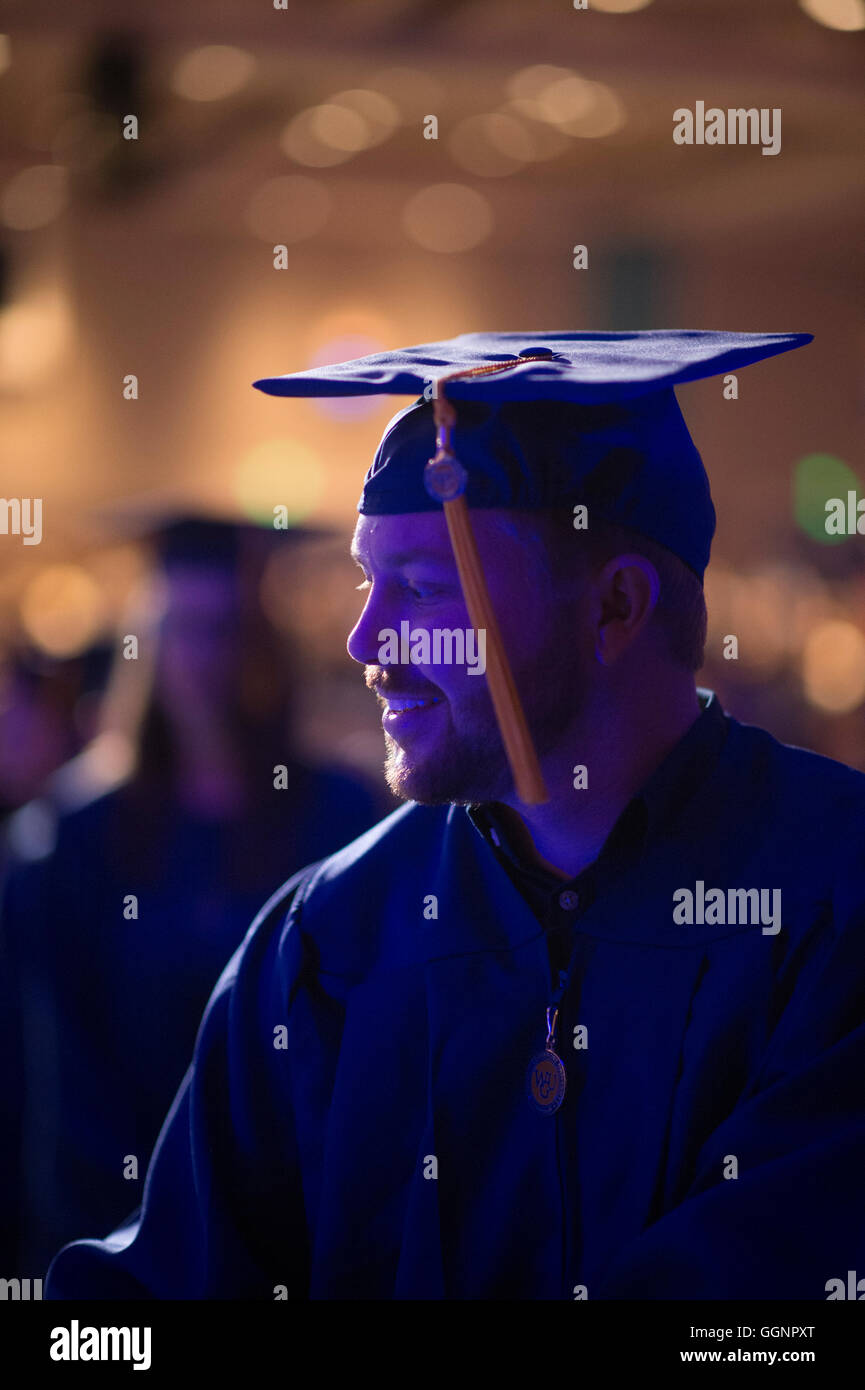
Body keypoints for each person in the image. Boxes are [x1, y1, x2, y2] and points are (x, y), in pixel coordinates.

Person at [45, 332, 865, 1300]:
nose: (364, 639)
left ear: (614, 607)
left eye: (426, 588)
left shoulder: (833, 890)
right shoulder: (330, 939)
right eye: (366, 580)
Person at [2, 517, 383, 1275]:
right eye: (183, 630)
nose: (204, 660)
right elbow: (51, 1078)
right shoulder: (72, 840)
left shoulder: (339, 819)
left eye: (226, 632)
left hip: (298, 1224)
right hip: (113, 1213)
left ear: (265, 649)